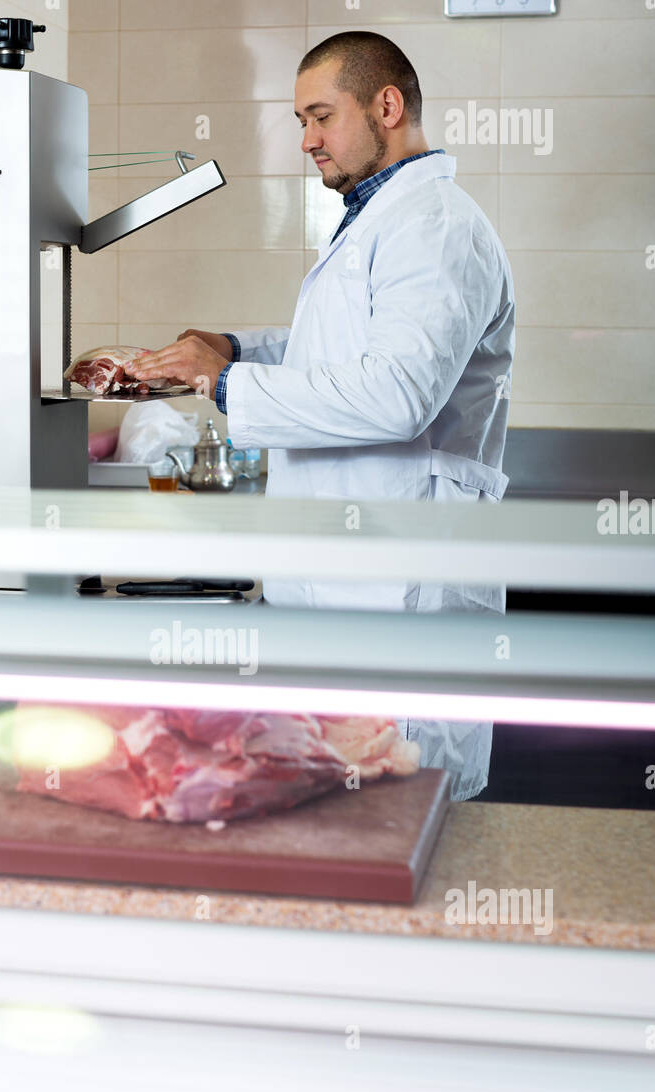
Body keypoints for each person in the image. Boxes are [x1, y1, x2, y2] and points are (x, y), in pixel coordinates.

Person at [127, 31, 515, 801]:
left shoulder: (436, 226)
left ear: (388, 106)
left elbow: (396, 394)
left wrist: (232, 380)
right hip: (348, 587)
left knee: (406, 816)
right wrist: (232, 346)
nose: (306, 140)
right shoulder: (382, 220)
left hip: (401, 591)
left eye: (320, 117)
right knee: (340, 821)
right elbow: (337, 353)